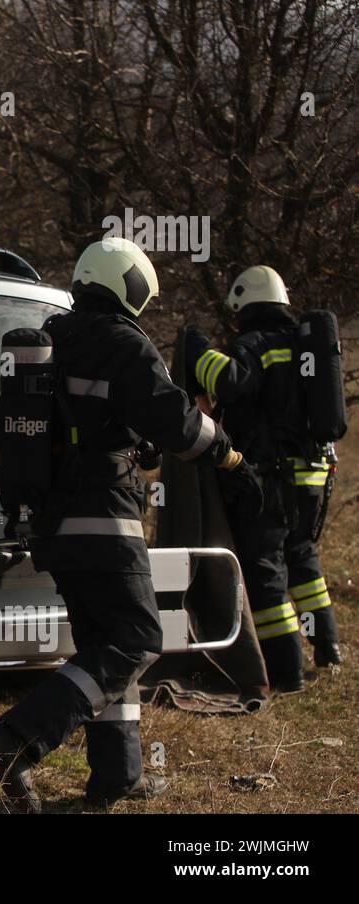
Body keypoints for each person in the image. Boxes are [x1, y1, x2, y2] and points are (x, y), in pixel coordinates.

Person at [0, 237, 259, 812]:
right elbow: (179, 423)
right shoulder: (123, 343)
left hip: (53, 526)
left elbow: (2, 443)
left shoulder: (48, 341)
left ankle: (118, 775)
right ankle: (17, 739)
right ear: (128, 285)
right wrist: (228, 453)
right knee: (136, 639)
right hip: (104, 519)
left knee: (104, 646)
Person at [186, 265, 344, 688]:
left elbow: (235, 384)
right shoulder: (302, 343)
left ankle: (286, 670)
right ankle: (327, 646)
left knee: (267, 571)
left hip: (274, 481)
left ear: (244, 303)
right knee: (303, 560)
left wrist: (197, 351)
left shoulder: (255, 343)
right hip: (311, 475)